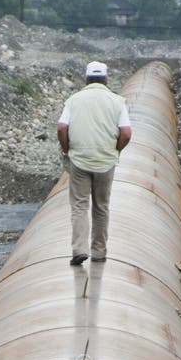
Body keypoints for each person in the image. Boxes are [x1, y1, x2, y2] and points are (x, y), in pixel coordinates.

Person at [57, 61, 132, 266]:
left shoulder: (73, 100)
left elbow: (62, 128)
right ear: (106, 79)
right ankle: (99, 251)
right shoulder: (118, 101)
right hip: (105, 161)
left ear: (87, 79)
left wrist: (66, 149)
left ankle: (79, 249)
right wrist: (115, 149)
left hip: (79, 161)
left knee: (79, 206)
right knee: (101, 207)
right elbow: (126, 132)